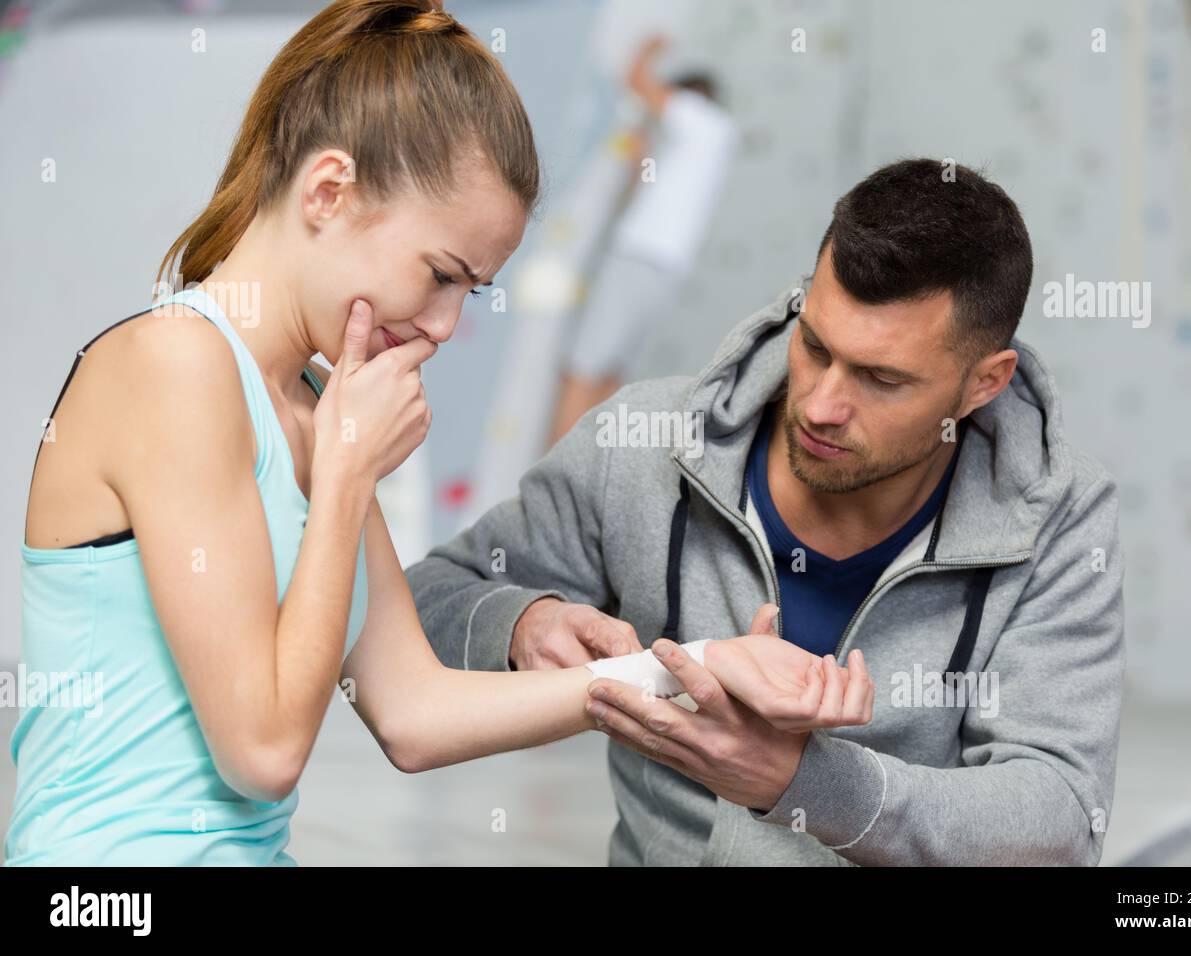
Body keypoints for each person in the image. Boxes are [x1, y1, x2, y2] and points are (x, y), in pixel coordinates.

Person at [6, 0, 867, 867]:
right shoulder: (176, 365)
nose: (447, 326)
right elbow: (262, 754)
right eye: (441, 275)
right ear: (329, 192)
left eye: (473, 291)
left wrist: (696, 665)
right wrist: (344, 481)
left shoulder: (315, 405)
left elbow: (413, 712)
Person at [407, 158, 1127, 866]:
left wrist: (801, 784)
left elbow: (1059, 818)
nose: (820, 405)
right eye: (814, 345)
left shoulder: (1060, 518)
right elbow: (423, 599)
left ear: (983, 384)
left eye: (881, 379)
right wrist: (522, 623)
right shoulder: (641, 443)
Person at [549, 34, 739, 443]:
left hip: (640, 254)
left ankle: (547, 484)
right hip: (665, 268)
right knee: (611, 376)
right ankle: (581, 476)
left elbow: (636, 78)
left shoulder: (702, 119)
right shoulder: (707, 146)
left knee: (582, 366)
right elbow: (640, 184)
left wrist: (650, 45)